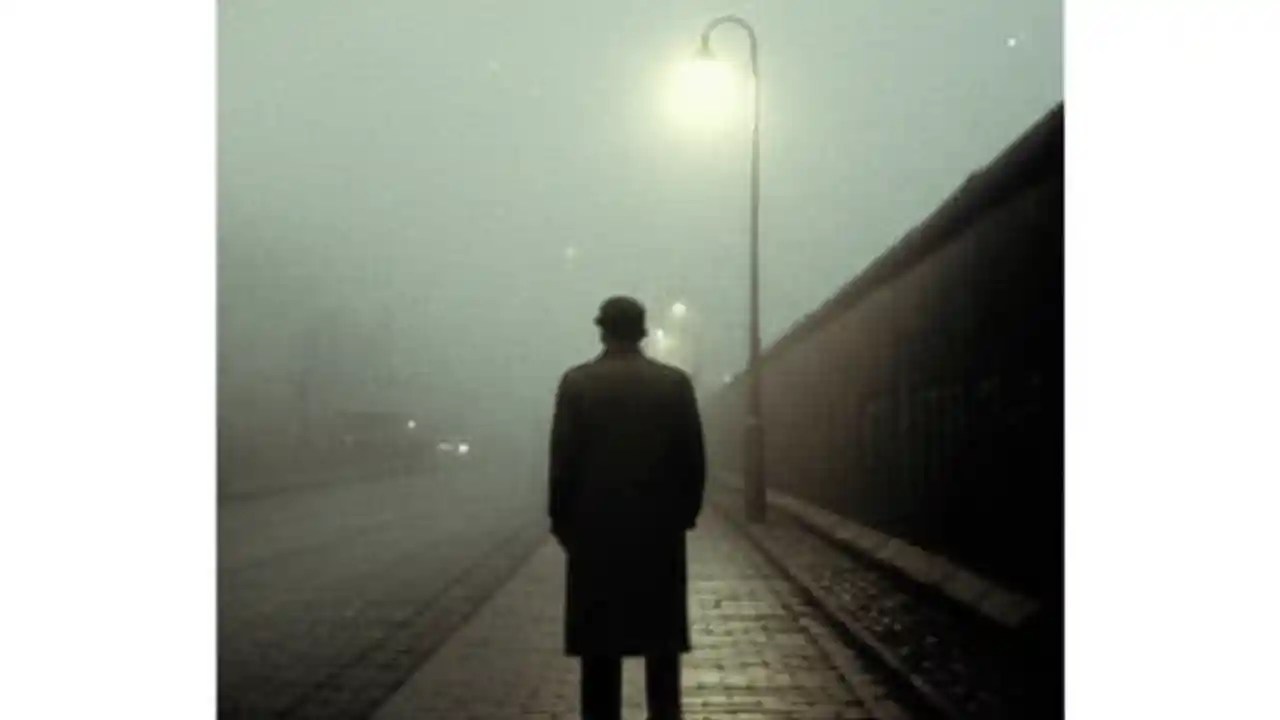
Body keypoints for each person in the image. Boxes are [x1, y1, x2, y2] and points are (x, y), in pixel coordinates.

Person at [548, 295, 706, 720]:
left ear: (601, 329)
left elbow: (563, 464)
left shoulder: (577, 383)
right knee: (661, 653)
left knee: (599, 658)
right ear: (642, 331)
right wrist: (682, 517)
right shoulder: (674, 385)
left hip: (596, 538)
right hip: (658, 537)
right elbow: (693, 462)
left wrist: (565, 526)